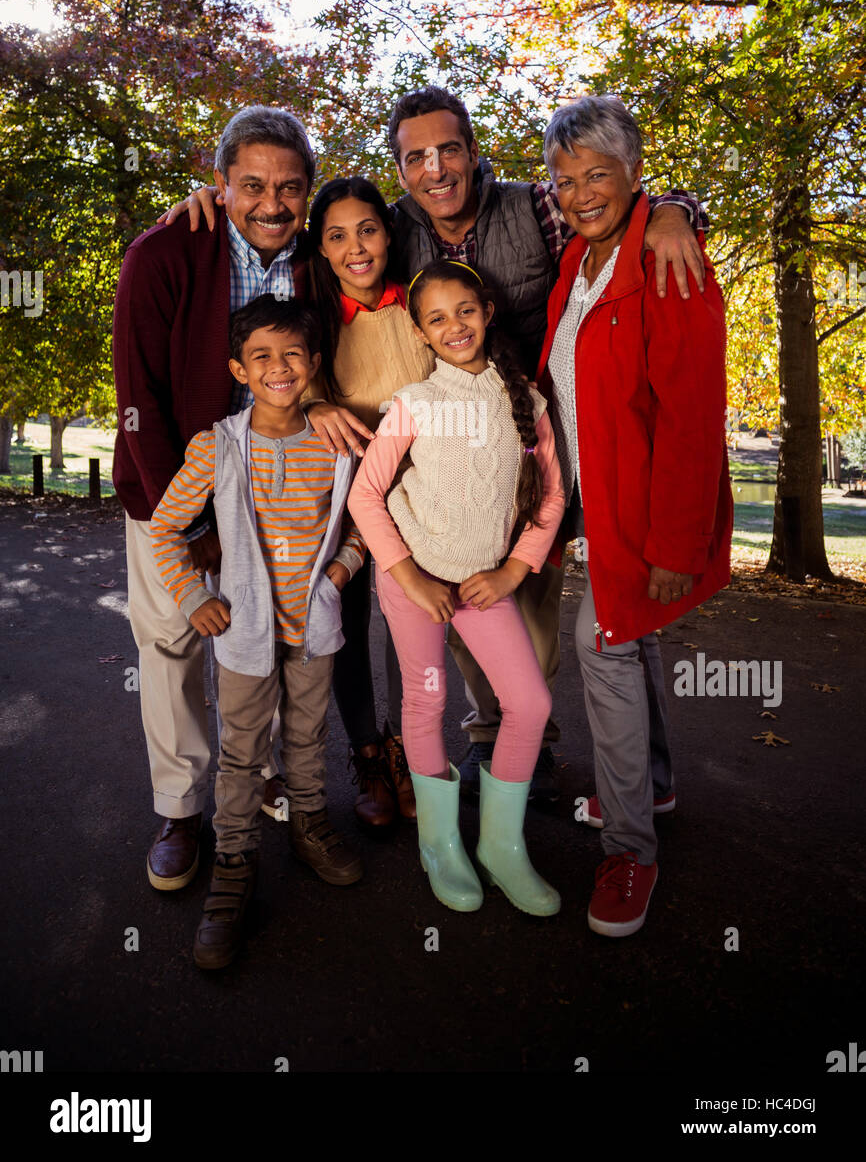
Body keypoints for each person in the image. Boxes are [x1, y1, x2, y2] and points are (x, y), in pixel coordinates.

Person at [159, 86, 707, 802]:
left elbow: (604, 196)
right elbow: (305, 235)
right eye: (415, 157)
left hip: (527, 440)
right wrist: (213, 195)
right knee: (392, 623)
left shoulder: (533, 204)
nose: (436, 168)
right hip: (396, 477)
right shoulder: (386, 231)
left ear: (474, 152)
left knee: (537, 611)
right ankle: (410, 756)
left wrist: (675, 211)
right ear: (401, 171)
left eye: (449, 149)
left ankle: (540, 749)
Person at [113, 105, 367, 894]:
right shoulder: (163, 254)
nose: (271, 203)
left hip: (283, 495)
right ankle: (181, 810)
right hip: (173, 493)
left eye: (290, 187)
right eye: (251, 184)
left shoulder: (319, 261)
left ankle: (259, 783)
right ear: (220, 186)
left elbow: (318, 357)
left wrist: (321, 399)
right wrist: (186, 526)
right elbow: (139, 399)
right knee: (175, 643)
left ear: (309, 192)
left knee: (270, 646)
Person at [535, 95, 733, 937]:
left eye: (598, 174)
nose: (581, 192)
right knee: (630, 637)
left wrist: (678, 542)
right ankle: (652, 784)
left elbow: (693, 414)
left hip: (646, 514)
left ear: (634, 172)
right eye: (566, 177)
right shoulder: (577, 261)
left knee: (603, 643)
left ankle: (629, 853)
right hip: (593, 503)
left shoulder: (665, 264)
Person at [150, 295, 365, 969]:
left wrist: (339, 571)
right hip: (244, 632)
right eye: (263, 357)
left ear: (316, 364)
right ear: (239, 369)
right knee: (242, 751)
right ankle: (235, 864)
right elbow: (164, 529)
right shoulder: (219, 445)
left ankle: (308, 825)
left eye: (293, 354)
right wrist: (192, 597)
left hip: (313, 627)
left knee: (306, 735)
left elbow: (363, 521)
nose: (280, 368)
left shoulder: (335, 442)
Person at [348, 260, 565, 916]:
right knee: (427, 702)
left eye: (465, 311)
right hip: (414, 578)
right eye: (436, 318)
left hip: (483, 583)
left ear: (488, 311)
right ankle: (441, 843)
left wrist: (512, 570)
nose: (454, 326)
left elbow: (553, 495)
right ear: (420, 333)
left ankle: (502, 846)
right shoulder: (416, 404)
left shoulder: (525, 399)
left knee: (529, 704)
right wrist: (410, 576)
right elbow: (365, 494)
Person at [301, 175, 434, 829]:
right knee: (346, 626)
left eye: (368, 229)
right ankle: (367, 757)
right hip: (349, 497)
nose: (356, 247)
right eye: (336, 235)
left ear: (388, 233)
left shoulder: (417, 302)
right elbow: (287, 386)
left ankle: (410, 753)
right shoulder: (316, 322)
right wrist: (316, 401)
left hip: (423, 497)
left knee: (409, 633)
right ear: (320, 249)